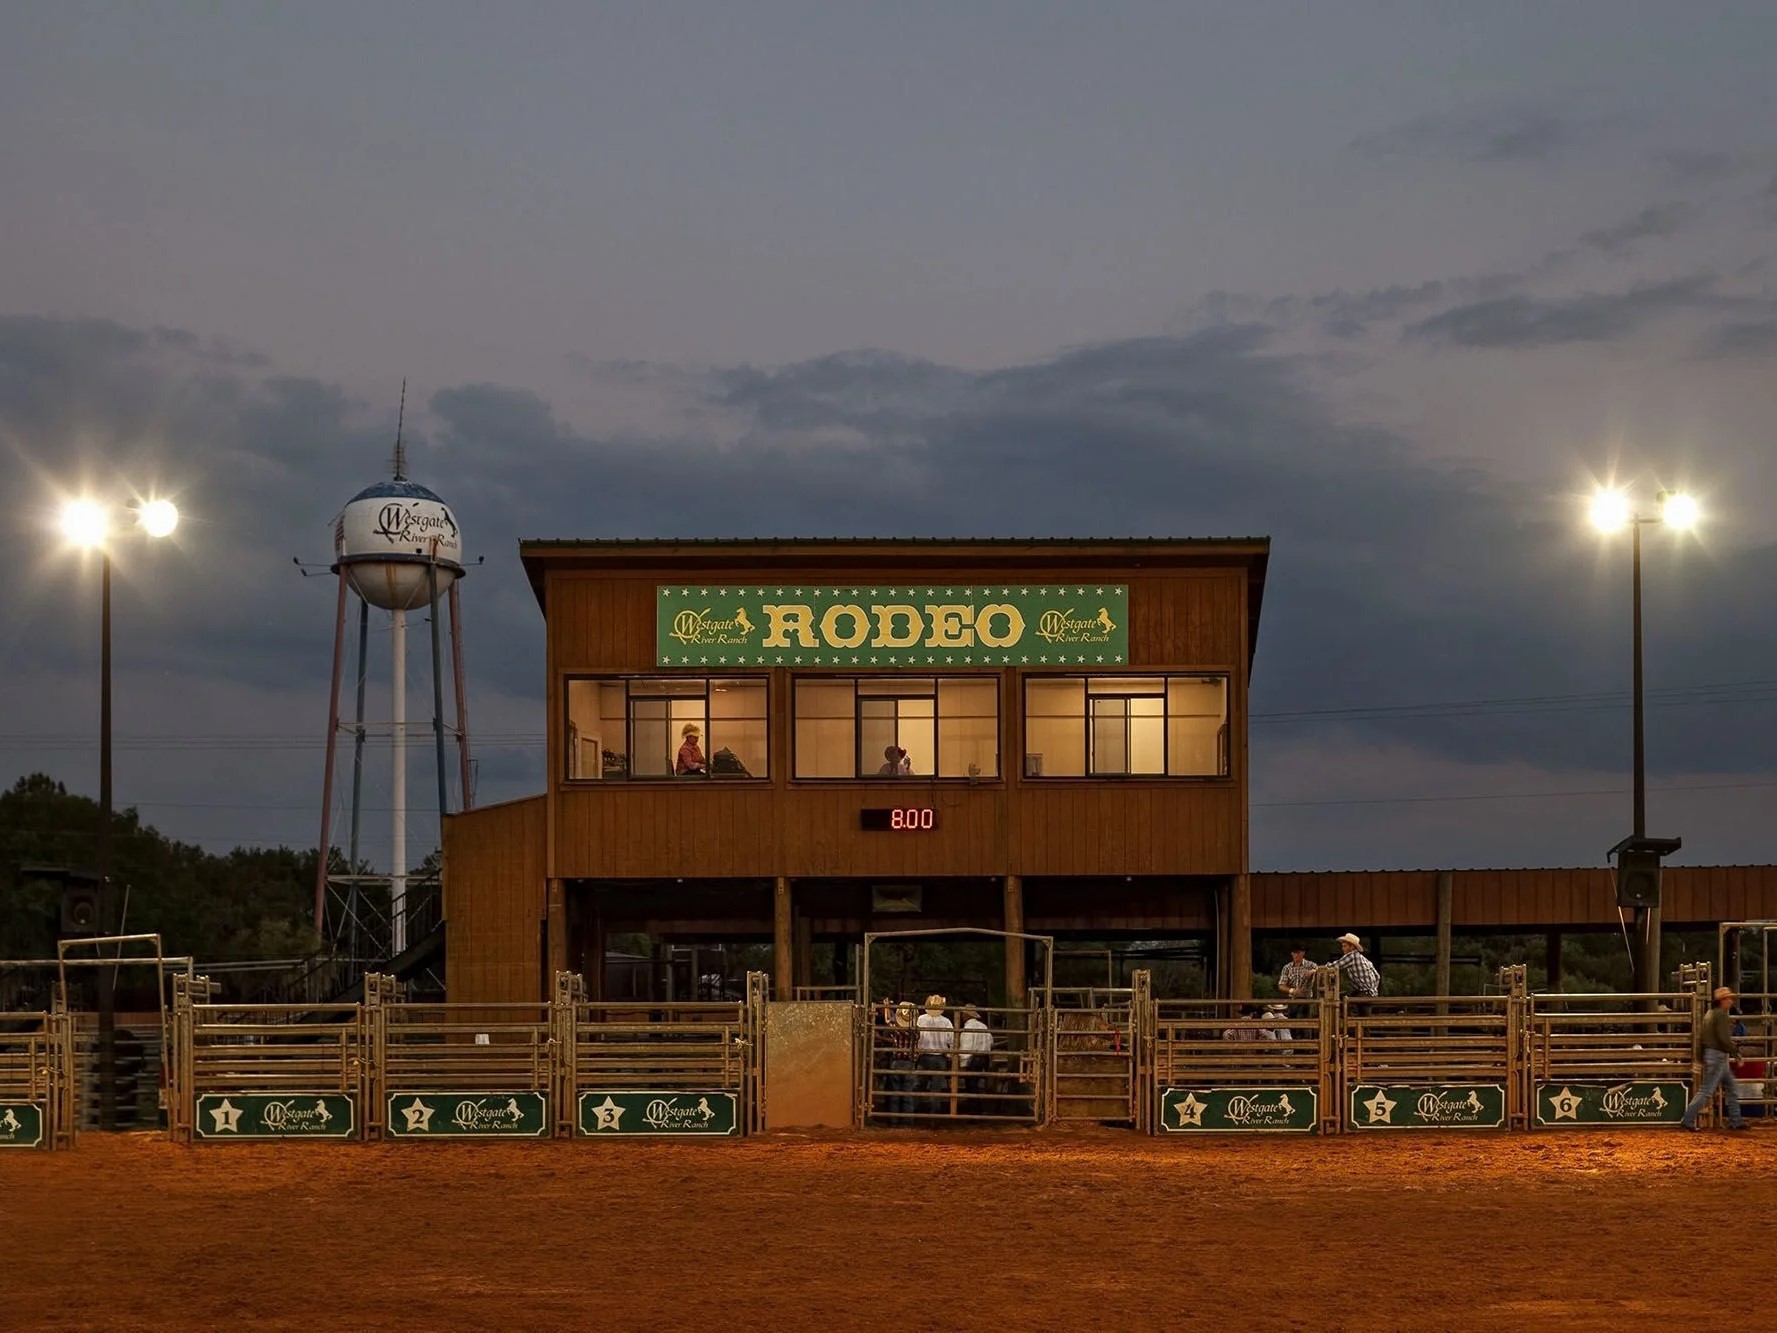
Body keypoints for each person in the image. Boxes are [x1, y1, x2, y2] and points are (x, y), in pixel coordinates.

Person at [1681, 986, 1749, 1131]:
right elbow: (1724, 1039)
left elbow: (1702, 1038)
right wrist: (1736, 1053)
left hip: (1713, 1055)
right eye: (1728, 998)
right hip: (1718, 1056)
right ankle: (1688, 1119)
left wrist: (1700, 1058)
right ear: (1722, 1000)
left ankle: (1736, 1121)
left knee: (1729, 1088)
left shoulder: (1709, 1014)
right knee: (1708, 1090)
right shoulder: (1721, 1015)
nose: (1731, 1001)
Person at [914, 993, 955, 1114]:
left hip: (924, 1056)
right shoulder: (946, 1022)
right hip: (939, 1058)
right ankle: (934, 1112)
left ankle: (914, 1110)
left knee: (919, 1085)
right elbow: (952, 1040)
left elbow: (916, 1037)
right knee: (936, 1088)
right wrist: (949, 1055)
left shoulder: (921, 1019)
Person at [1324, 932, 1380, 998]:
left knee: (1346, 1001)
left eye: (1345, 946)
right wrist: (1373, 989)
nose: (1342, 948)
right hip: (1369, 993)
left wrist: (1320, 967)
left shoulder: (1352, 956)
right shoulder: (1364, 959)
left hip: (1364, 993)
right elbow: (1377, 976)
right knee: (1345, 996)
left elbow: (1334, 965)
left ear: (1352, 947)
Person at [959, 1004, 992, 1109]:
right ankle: (979, 1105)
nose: (962, 1016)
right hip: (984, 1057)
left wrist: (963, 1064)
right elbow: (990, 1041)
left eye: (963, 1014)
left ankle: (974, 1107)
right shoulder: (983, 1026)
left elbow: (966, 1048)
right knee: (978, 1082)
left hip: (973, 1059)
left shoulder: (968, 1028)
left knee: (971, 1084)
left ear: (967, 1015)